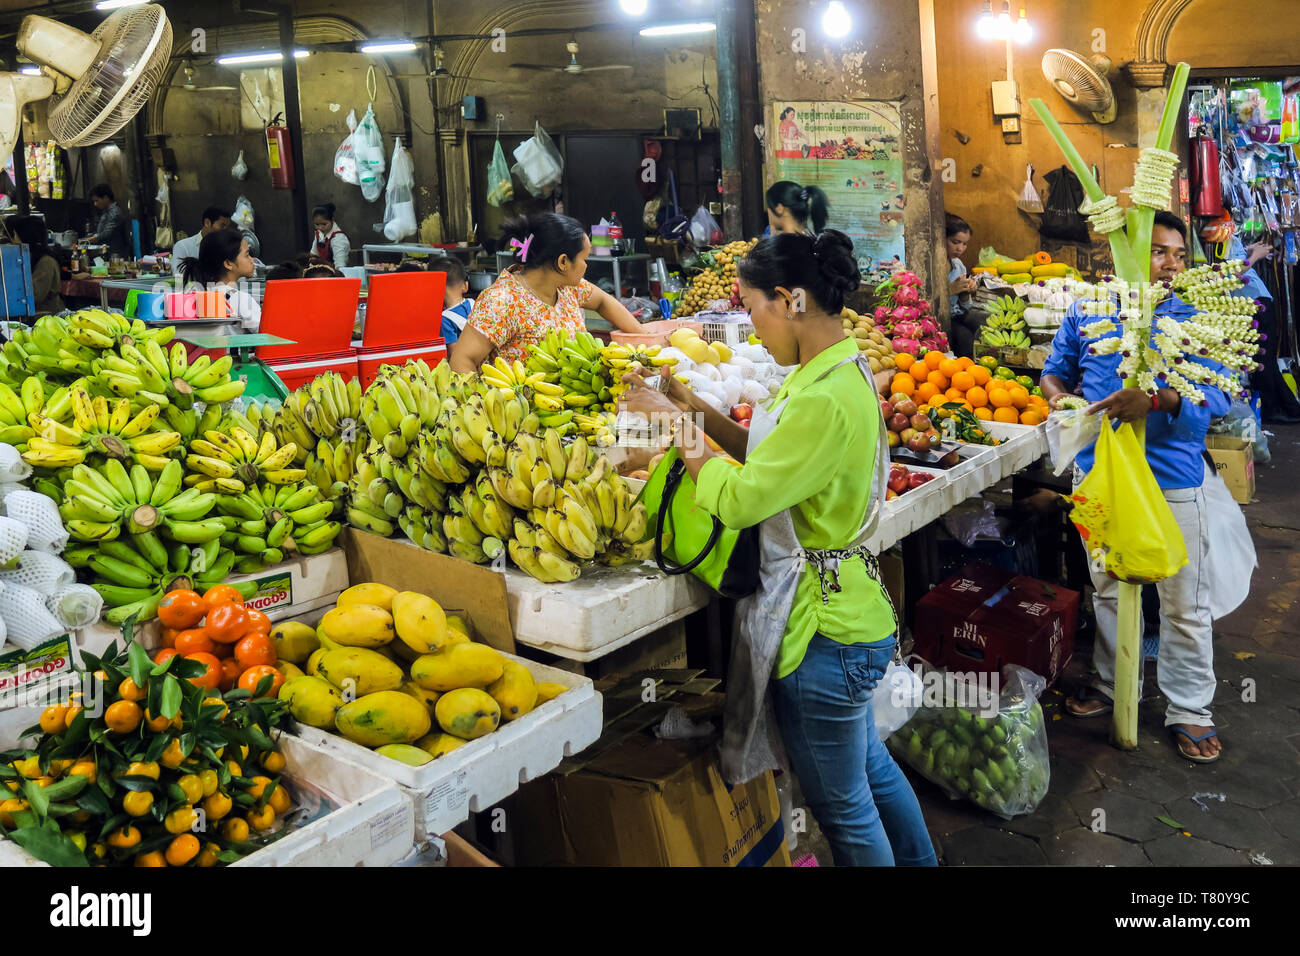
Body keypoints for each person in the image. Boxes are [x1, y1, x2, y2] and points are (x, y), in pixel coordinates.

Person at [624, 231, 937, 867]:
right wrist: (695, 409)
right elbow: (771, 465)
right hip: (851, 613)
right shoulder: (833, 369)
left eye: (754, 308)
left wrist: (675, 428)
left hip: (825, 633)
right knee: (870, 774)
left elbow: (741, 500)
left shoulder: (823, 397)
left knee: (844, 809)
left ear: (790, 301)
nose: (751, 325)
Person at [1040, 211, 1228, 763]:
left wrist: (1159, 399)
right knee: (1106, 586)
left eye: (1179, 254)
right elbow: (1055, 370)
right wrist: (1060, 398)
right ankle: (1111, 683)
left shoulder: (1198, 315)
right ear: (1125, 253)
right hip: (1099, 475)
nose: (1170, 265)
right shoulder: (1090, 308)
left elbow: (1218, 397)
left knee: (1184, 601)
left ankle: (1190, 708)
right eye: (1159, 252)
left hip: (1171, 477)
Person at [449, 213, 640, 373]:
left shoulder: (568, 287)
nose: (586, 265)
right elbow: (461, 361)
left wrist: (644, 336)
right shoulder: (502, 301)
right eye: (585, 258)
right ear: (563, 262)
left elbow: (602, 302)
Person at [179, 228, 260, 334]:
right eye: (247, 255)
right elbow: (268, 332)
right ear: (228, 264)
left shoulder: (200, 294)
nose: (252, 260)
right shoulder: (241, 299)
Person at [945, 213, 983, 358]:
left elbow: (966, 307)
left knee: (984, 324)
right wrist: (948, 291)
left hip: (957, 314)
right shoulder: (932, 267)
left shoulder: (958, 266)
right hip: (941, 318)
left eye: (964, 244)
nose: (960, 248)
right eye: (955, 242)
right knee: (964, 337)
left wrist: (966, 293)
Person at [13, 216, 64, 315]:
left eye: (15, 236)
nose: (14, 241)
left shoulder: (46, 262)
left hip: (47, 317)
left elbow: (35, 295)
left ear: (25, 237)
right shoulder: (32, 258)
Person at [170, 205, 232, 275]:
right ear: (207, 223)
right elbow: (179, 278)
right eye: (222, 226)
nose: (226, 231)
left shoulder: (227, 248)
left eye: (227, 227)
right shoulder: (183, 246)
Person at [431, 258, 472, 348]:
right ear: (465, 286)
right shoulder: (474, 304)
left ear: (436, 288)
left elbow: (453, 355)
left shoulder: (445, 320)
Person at [765, 181, 829, 236]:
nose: (768, 213)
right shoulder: (813, 241)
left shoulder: (782, 247)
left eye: (770, 207)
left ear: (780, 209)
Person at [88, 183, 132, 259]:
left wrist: (90, 239)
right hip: (108, 253)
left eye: (97, 200)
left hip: (116, 255)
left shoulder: (115, 212)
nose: (95, 204)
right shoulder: (106, 212)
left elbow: (106, 233)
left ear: (106, 198)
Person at [311, 203, 350, 271]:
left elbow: (340, 267)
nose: (320, 228)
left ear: (332, 220)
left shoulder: (338, 238)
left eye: (324, 224)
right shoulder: (319, 234)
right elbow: (313, 255)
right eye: (317, 224)